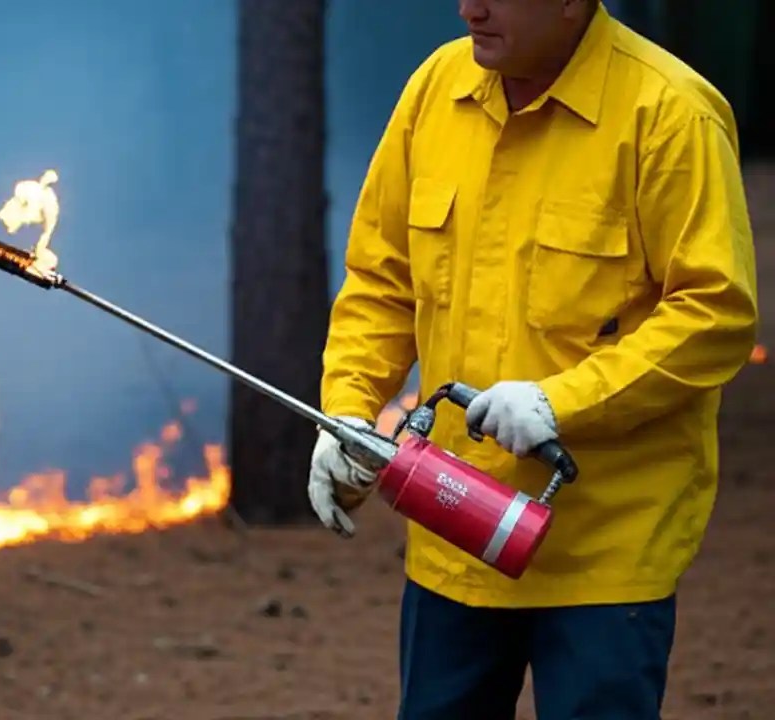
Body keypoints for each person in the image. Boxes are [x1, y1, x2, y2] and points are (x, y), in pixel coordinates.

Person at [307, 1, 759, 718]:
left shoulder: (671, 111)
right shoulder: (436, 89)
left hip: (603, 557)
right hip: (452, 533)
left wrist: (561, 403)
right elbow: (381, 282)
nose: (470, 7)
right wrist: (348, 411)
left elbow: (715, 315)